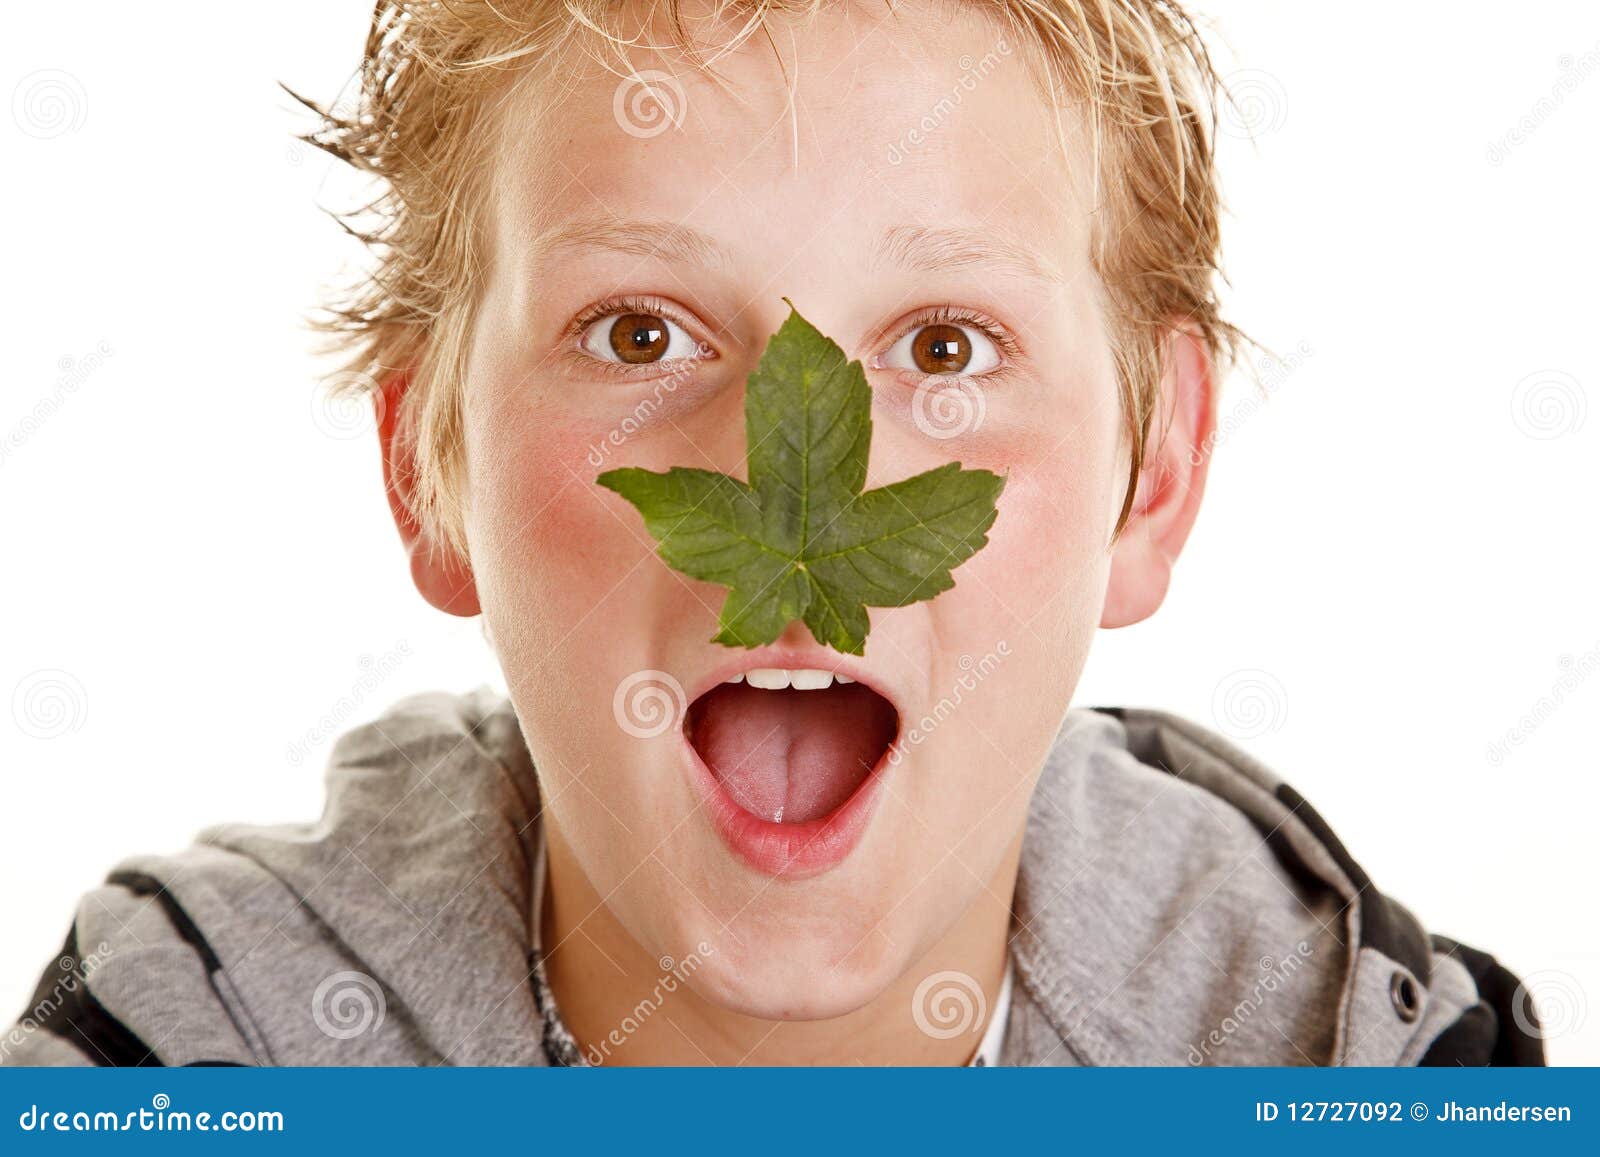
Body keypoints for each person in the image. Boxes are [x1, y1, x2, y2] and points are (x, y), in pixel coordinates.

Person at [2, 0, 1542, 1067]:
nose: (798, 493)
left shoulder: (1385, 1066)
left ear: (1156, 478)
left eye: (944, 348)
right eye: (637, 334)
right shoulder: (175, 1051)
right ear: (427, 466)